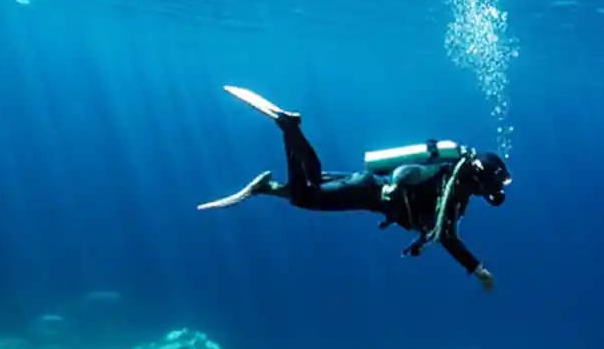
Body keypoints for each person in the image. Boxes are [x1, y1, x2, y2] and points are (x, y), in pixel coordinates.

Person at [198, 87, 512, 291]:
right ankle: (288, 129)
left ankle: (268, 186)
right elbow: (413, 176)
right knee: (304, 197)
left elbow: (438, 229)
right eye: (490, 189)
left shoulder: (455, 190)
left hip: (367, 187)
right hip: (370, 191)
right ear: (480, 181)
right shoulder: (447, 180)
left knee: (316, 181)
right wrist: (478, 269)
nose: (489, 195)